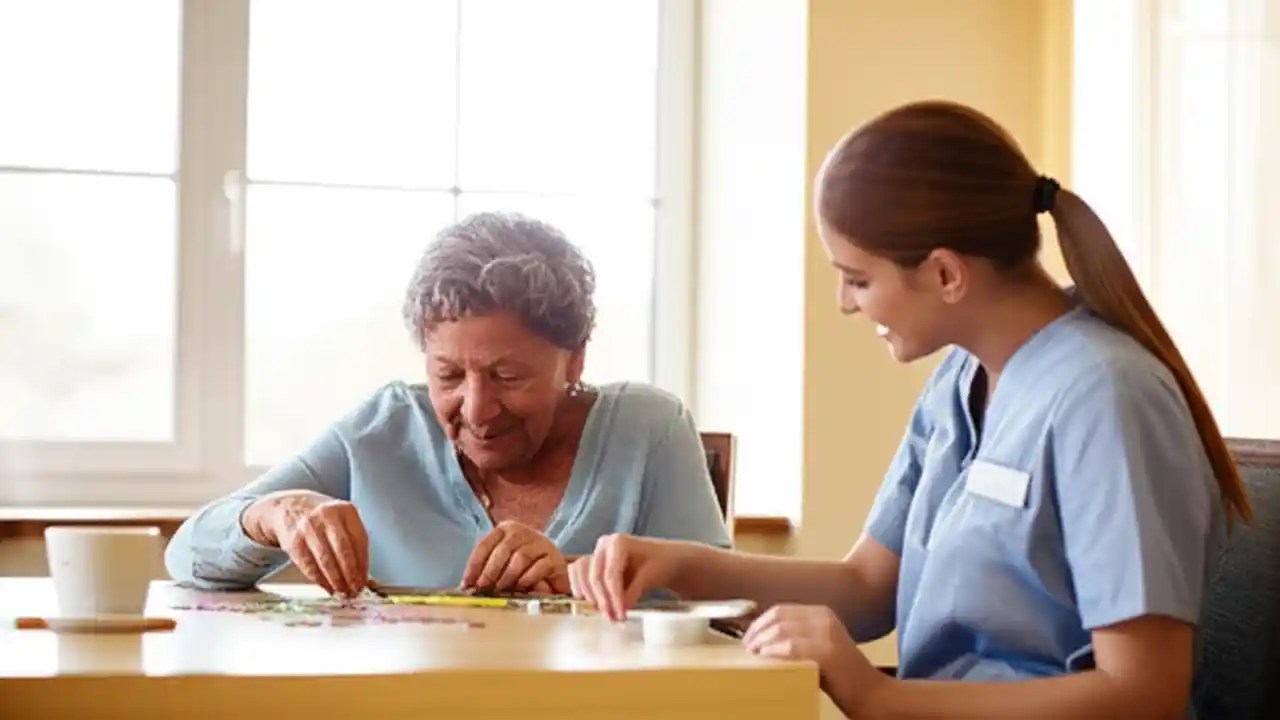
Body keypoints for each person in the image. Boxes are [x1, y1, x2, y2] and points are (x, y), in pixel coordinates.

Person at [568, 101, 1251, 718]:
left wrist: (880, 697)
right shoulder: (960, 379)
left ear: (947, 274)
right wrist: (680, 568)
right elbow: (868, 589)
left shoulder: (1108, 396)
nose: (844, 303)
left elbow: (1143, 693)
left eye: (858, 279)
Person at [165, 212, 729, 597]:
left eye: (508, 376)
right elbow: (187, 557)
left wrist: (577, 578)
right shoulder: (381, 432)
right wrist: (273, 515)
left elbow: (730, 606)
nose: (478, 410)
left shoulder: (650, 430)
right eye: (449, 374)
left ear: (574, 361)